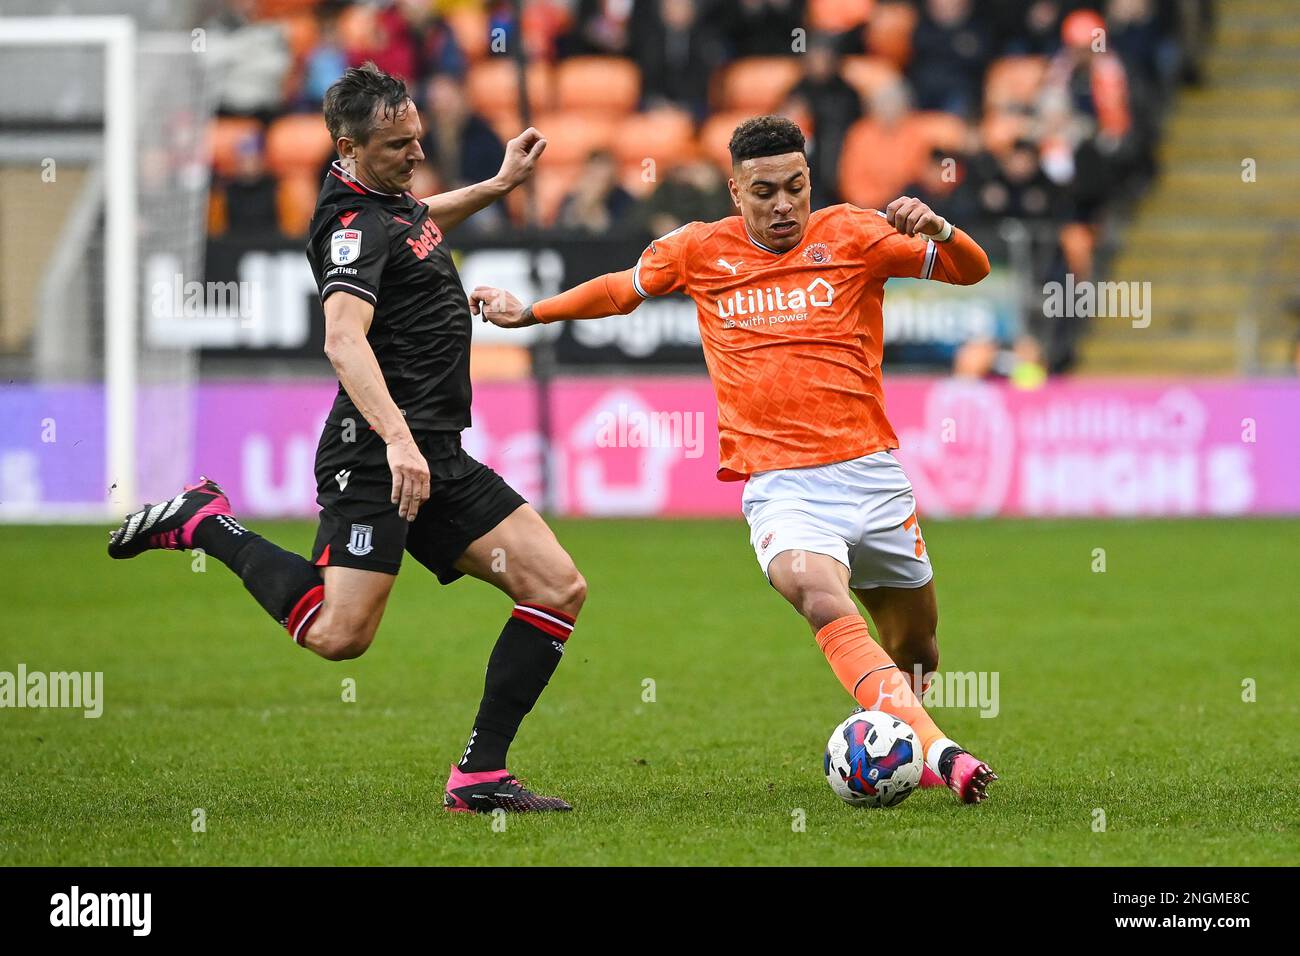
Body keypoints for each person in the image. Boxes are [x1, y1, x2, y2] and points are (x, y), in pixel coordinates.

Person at [471, 116, 998, 803]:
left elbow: (971, 270)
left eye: (796, 187)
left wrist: (938, 228)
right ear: (735, 191)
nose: (784, 204)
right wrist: (531, 313)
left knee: (919, 650)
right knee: (815, 592)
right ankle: (941, 754)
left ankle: (901, 726)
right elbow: (620, 290)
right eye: (765, 191)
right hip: (782, 488)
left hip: (873, 476)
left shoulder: (856, 233)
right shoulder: (697, 250)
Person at [108, 64, 583, 814]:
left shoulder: (388, 203)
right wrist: (396, 438)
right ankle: (206, 522)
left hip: (437, 457)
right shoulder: (353, 227)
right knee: (339, 637)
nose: (416, 155)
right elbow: (342, 339)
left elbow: (421, 222)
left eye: (419, 138)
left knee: (557, 589)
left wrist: (495, 187)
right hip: (378, 456)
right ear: (348, 147)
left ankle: (479, 777)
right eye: (398, 145)